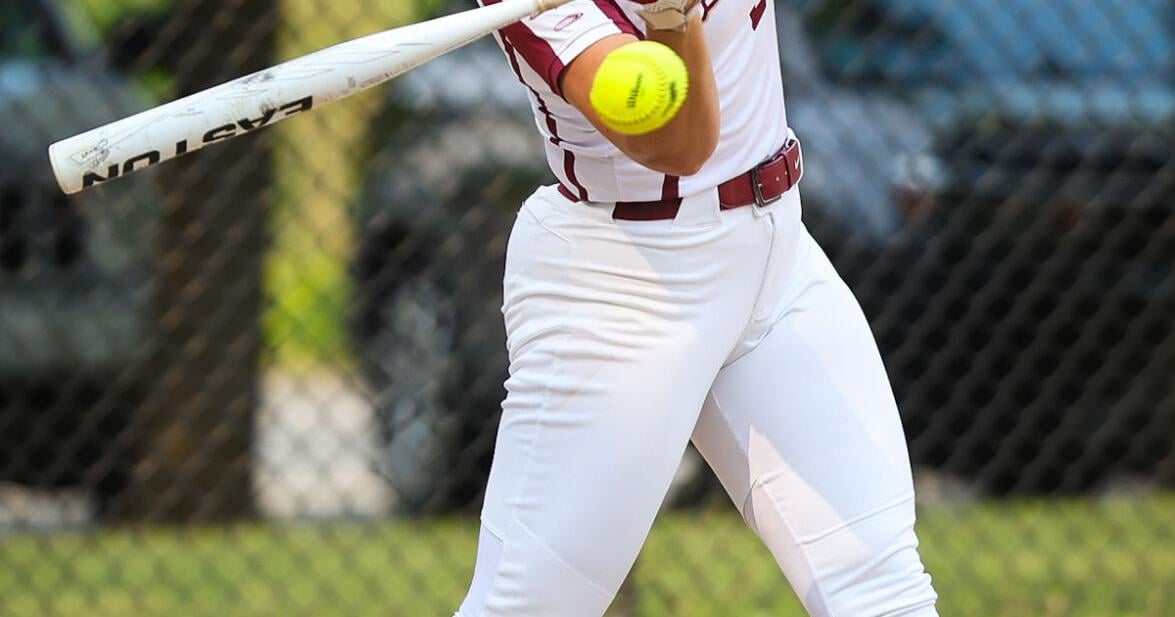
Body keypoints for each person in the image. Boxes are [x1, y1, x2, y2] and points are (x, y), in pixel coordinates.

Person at [456, 0, 939, 615]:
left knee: (882, 590)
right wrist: (672, 19)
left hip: (778, 255)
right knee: (529, 606)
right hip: (628, 286)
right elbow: (679, 145)